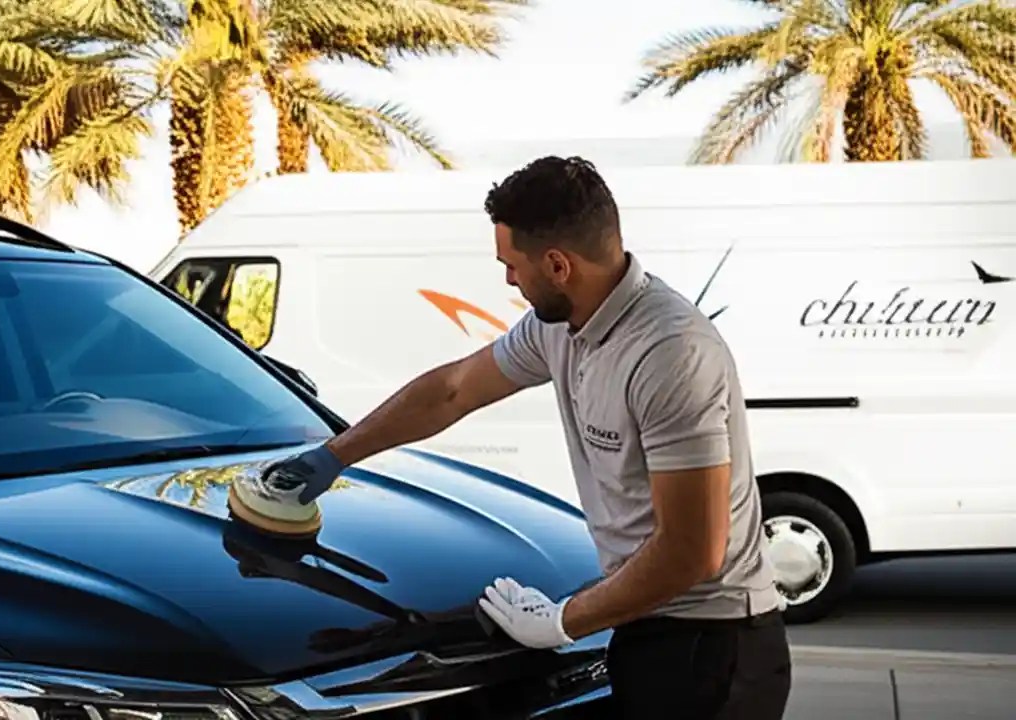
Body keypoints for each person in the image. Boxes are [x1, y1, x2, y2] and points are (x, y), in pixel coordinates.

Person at [259, 155, 792, 719]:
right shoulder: (559, 329)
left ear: (558, 265)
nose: (509, 279)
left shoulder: (669, 352)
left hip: (717, 650)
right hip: (650, 633)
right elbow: (453, 390)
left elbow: (692, 551)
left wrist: (561, 621)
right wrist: (332, 457)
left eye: (511, 265)